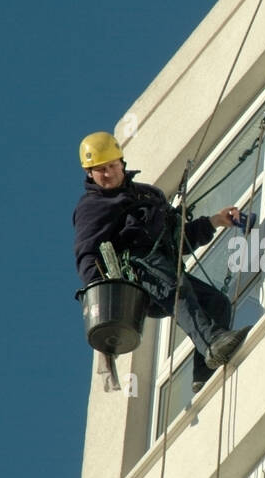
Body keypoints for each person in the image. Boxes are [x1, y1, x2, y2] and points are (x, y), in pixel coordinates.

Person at [73, 132, 250, 392]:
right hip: (135, 273)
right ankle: (212, 344)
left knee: (217, 303)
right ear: (90, 174)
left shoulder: (148, 196)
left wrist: (214, 221)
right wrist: (102, 293)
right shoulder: (93, 206)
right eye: (100, 170)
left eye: (111, 166)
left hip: (162, 265)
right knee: (175, 286)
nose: (108, 174)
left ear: (121, 162)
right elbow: (87, 252)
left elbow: (178, 238)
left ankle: (205, 373)